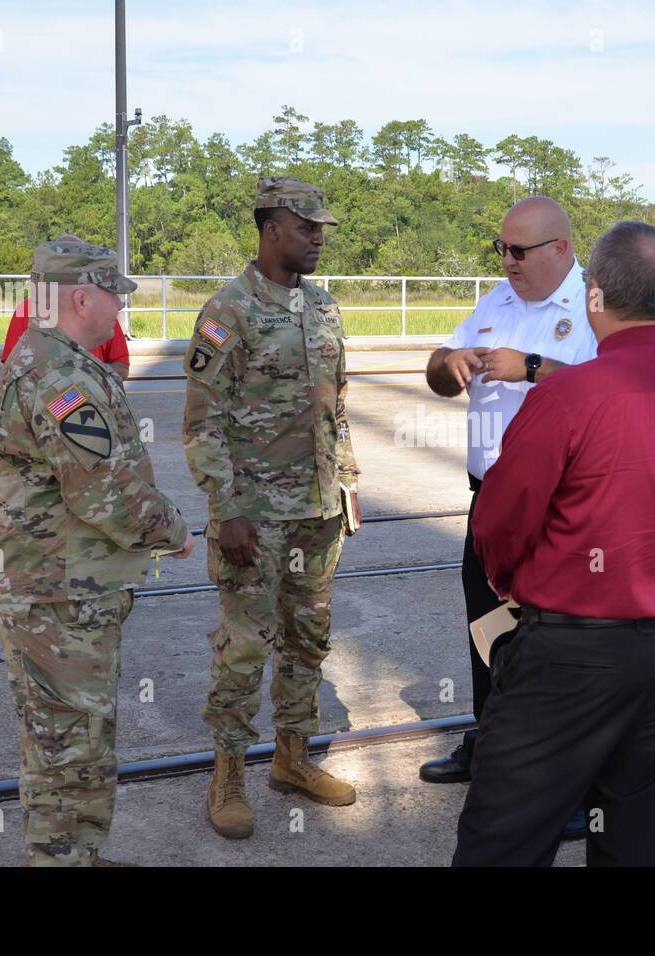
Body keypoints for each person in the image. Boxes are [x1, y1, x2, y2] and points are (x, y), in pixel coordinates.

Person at [453, 221, 655, 867]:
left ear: (595, 297)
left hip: (569, 660)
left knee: (503, 842)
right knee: (633, 848)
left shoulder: (565, 396)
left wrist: (510, 585)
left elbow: (497, 523)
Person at [0, 238, 194, 866]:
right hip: (61, 595)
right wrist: (173, 533)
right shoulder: (63, 377)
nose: (117, 311)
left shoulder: (41, 358)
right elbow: (108, 496)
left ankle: (73, 857)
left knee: (64, 737)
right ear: (80, 297)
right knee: (73, 744)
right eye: (112, 297)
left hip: (57, 587)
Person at [184, 177, 360, 840]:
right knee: (243, 647)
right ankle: (228, 772)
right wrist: (226, 507)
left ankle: (292, 758)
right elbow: (202, 422)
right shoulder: (227, 309)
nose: (319, 237)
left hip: (317, 511)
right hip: (253, 518)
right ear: (270, 228)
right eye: (306, 226)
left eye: (322, 227)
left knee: (307, 640)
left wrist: (346, 481)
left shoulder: (325, 306)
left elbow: (335, 404)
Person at [419, 196, 598, 837]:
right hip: (490, 498)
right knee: (488, 630)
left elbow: (610, 396)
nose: (507, 260)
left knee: (557, 644)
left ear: (560, 249)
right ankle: (490, 748)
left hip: (559, 509)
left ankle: (569, 786)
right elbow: (438, 374)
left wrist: (533, 369)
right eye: (501, 247)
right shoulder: (495, 302)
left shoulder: (592, 305)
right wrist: (450, 364)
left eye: (519, 250)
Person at [1, 235, 130, 379]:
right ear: (81, 301)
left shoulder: (101, 314)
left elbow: (122, 366)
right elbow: (11, 367)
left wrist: (87, 376)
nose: (119, 305)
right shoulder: (25, 309)